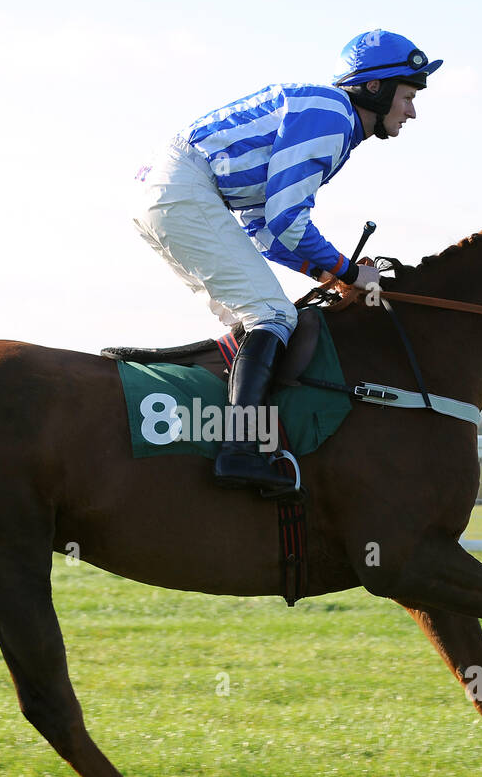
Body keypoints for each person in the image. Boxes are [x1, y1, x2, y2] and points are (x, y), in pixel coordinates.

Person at [132, 30, 442, 491]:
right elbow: (286, 218)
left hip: (171, 191)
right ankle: (238, 451)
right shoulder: (332, 118)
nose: (412, 111)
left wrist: (322, 272)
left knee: (256, 318)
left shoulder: (329, 117)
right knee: (272, 313)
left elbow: (262, 226)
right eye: (408, 95)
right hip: (184, 190)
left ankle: (227, 433)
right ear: (375, 89)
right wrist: (351, 272)